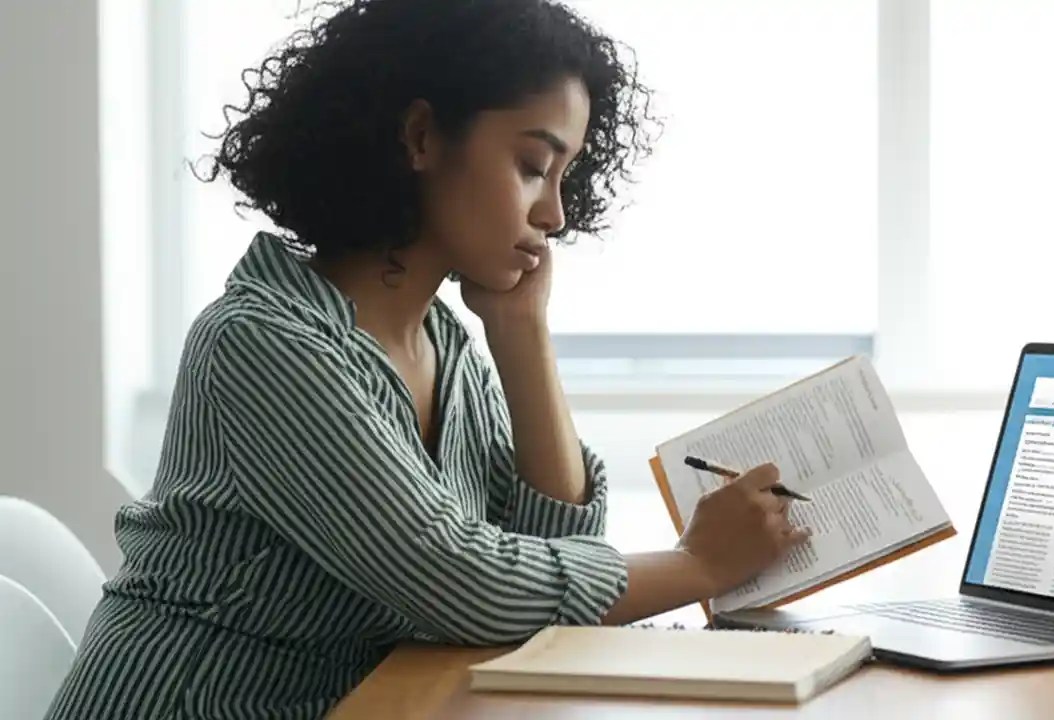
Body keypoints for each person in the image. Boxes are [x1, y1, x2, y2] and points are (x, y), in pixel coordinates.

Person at [46, 1, 810, 718]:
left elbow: (557, 557)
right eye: (533, 166)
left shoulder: (441, 343)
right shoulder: (262, 342)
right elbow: (463, 582)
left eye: (565, 175)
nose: (555, 214)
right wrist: (699, 565)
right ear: (420, 138)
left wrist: (521, 335)